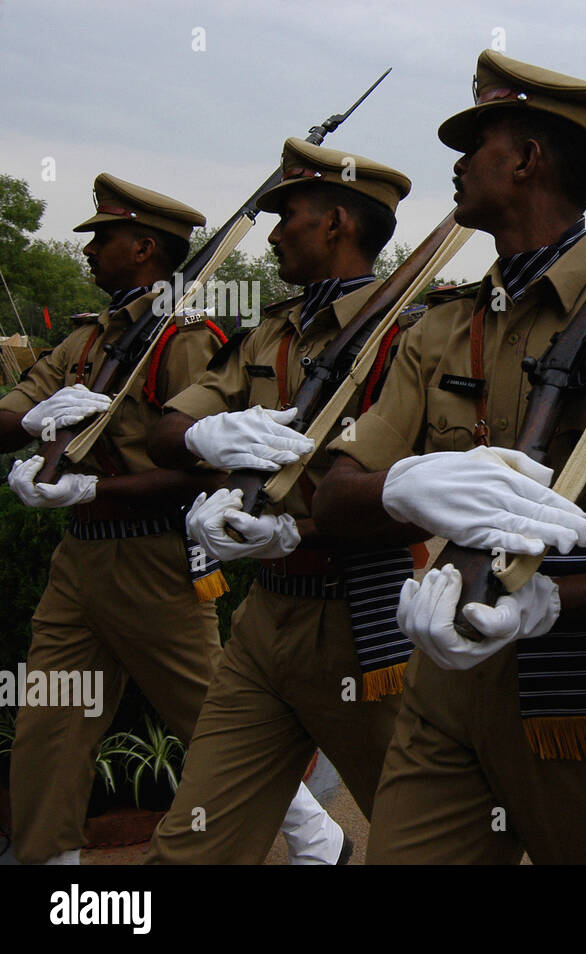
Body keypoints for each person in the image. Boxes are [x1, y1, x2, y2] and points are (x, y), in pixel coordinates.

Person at [310, 51, 586, 864]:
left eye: (478, 143)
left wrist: (556, 602)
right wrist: (405, 488)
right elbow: (333, 496)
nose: (457, 164)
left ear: (528, 160)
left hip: (577, 686)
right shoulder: (440, 325)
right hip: (443, 681)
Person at [0, 174, 341, 865]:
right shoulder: (86, 343)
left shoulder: (186, 340)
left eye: (105, 238)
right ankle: (50, 862)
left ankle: (314, 833)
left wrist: (94, 493)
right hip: (80, 564)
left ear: (145, 248)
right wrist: (31, 423)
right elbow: (14, 414)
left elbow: (208, 469)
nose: (90, 251)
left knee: (212, 715)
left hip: (155, 558)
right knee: (49, 723)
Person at [142, 140, 412, 863]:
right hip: (267, 620)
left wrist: (308, 525)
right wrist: (209, 437)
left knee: (426, 839)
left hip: (371, 619)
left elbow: (434, 487)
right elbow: (167, 430)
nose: (271, 233)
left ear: (336, 224)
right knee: (192, 840)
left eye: (285, 215)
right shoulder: (270, 329)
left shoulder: (414, 335)